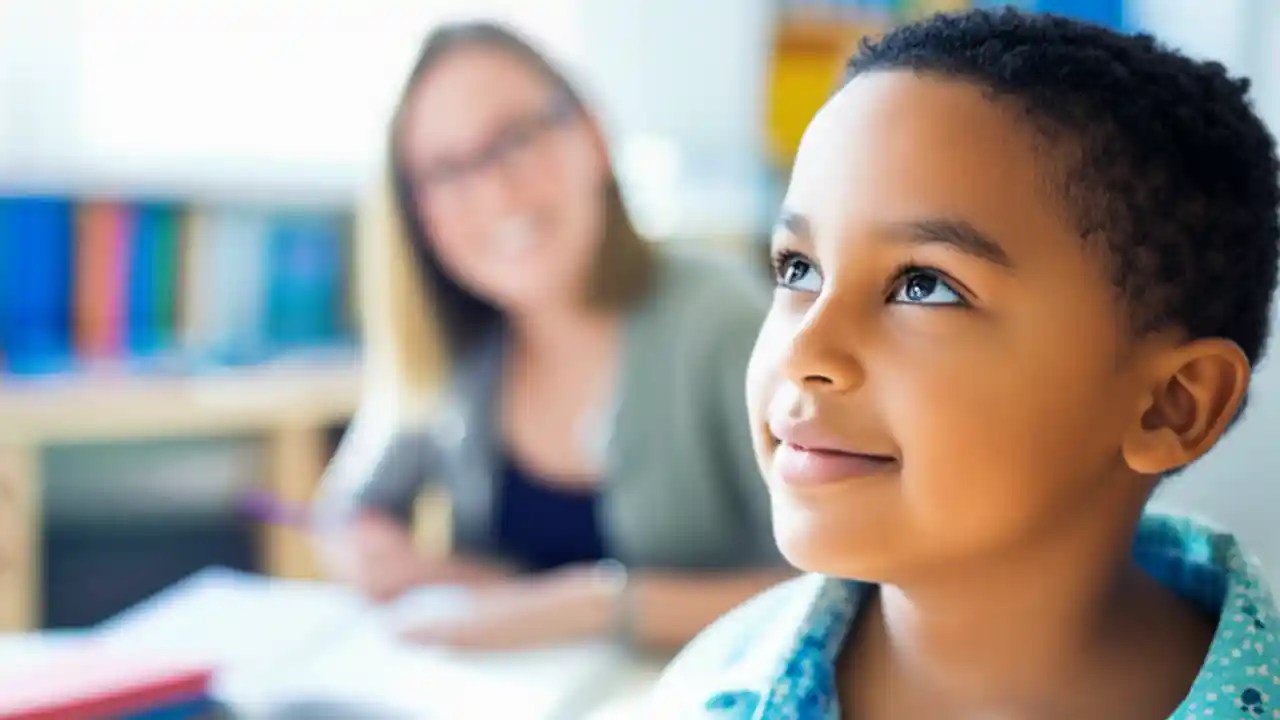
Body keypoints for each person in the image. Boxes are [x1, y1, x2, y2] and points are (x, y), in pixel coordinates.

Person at [652, 8, 1280, 718]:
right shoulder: (707, 688)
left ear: (1171, 403)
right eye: (798, 269)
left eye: (925, 285)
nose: (804, 352)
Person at [315, 21, 790, 651]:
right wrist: (371, 549)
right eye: (445, 170)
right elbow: (349, 508)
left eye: (516, 138)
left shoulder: (723, 319)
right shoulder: (452, 342)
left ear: (592, 136)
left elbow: (832, 585)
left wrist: (590, 606)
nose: (492, 191)